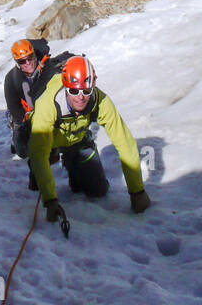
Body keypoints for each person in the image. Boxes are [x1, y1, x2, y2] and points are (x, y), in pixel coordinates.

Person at [28, 54, 151, 222]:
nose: (81, 97)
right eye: (73, 91)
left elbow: (124, 142)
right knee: (38, 160)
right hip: (49, 141)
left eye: (86, 91)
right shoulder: (48, 104)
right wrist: (50, 201)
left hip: (78, 139)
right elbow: (38, 152)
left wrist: (137, 191)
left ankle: (73, 166)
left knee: (98, 190)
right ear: (66, 87)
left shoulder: (100, 100)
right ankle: (39, 169)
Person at [3, 38, 69, 189]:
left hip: (54, 114)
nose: (27, 63)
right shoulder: (11, 80)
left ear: (34, 55)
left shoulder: (49, 67)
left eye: (29, 58)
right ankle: (38, 173)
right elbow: (14, 108)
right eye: (22, 61)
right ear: (16, 63)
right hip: (30, 119)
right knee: (28, 149)